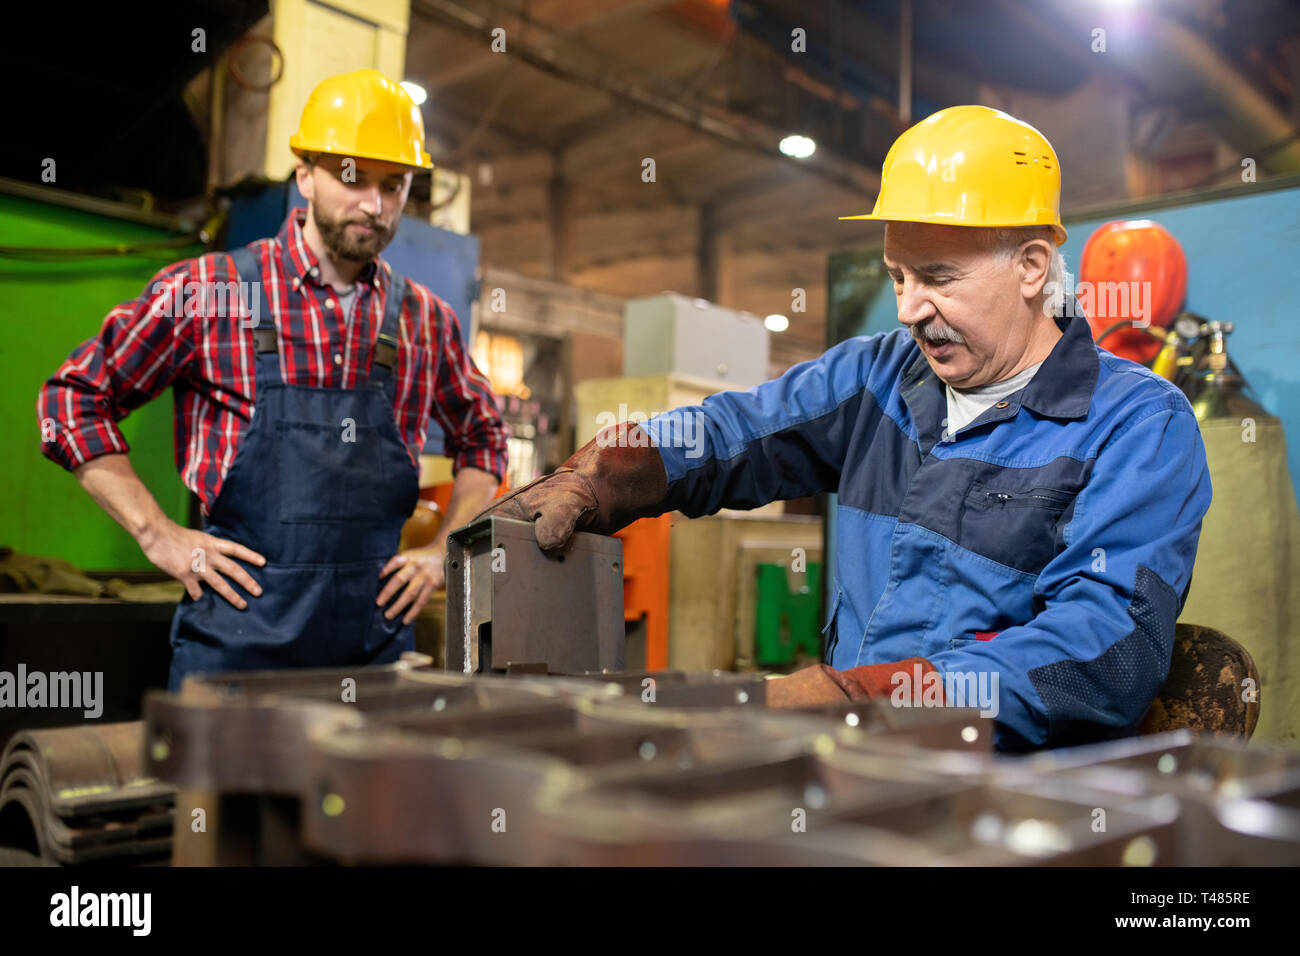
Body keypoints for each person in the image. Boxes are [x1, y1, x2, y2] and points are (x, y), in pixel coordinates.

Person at [478, 105, 1212, 752]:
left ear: (1030, 266)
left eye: (937, 277)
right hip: (851, 767)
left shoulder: (1136, 426)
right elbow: (733, 431)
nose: (907, 308)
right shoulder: (876, 378)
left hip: (1001, 797)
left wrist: (866, 699)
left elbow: (1102, 648)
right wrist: (606, 473)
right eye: (897, 276)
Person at [37, 69, 507, 689]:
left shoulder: (427, 321)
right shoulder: (208, 292)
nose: (373, 202)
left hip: (373, 663)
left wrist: (443, 553)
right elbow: (72, 401)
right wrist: (160, 536)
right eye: (351, 177)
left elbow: (486, 436)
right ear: (304, 174)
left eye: (393, 184)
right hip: (234, 655)